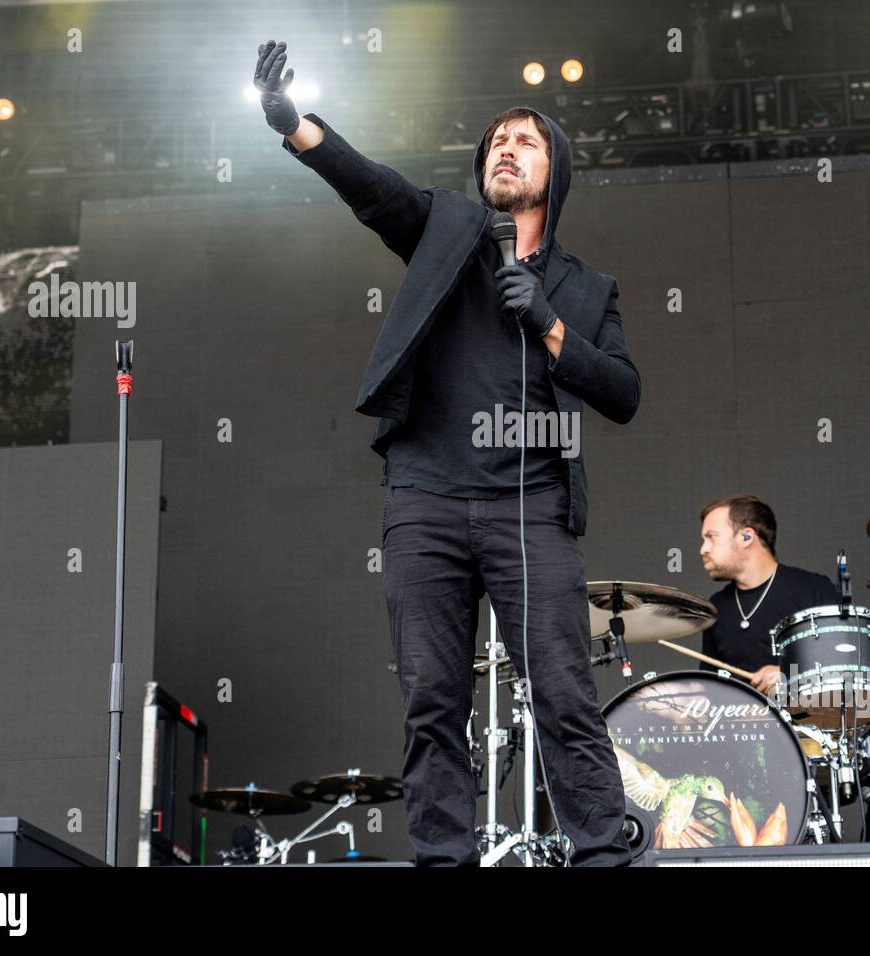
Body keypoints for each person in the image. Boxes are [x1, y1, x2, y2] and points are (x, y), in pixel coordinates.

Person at [255, 41, 639, 865]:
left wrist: (547, 321)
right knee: (432, 700)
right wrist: (296, 127)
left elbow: (624, 393)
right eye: (495, 139)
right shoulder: (446, 229)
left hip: (531, 510)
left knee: (565, 696)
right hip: (425, 497)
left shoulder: (585, 286)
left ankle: (605, 856)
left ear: (556, 172)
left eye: (525, 139)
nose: (504, 147)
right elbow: (373, 189)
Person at [696, 494, 870, 841]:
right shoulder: (716, 610)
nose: (702, 548)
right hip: (750, 741)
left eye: (711, 537)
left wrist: (786, 675)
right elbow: (711, 691)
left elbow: (845, 671)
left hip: (817, 730)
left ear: (747, 536)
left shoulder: (811, 589)